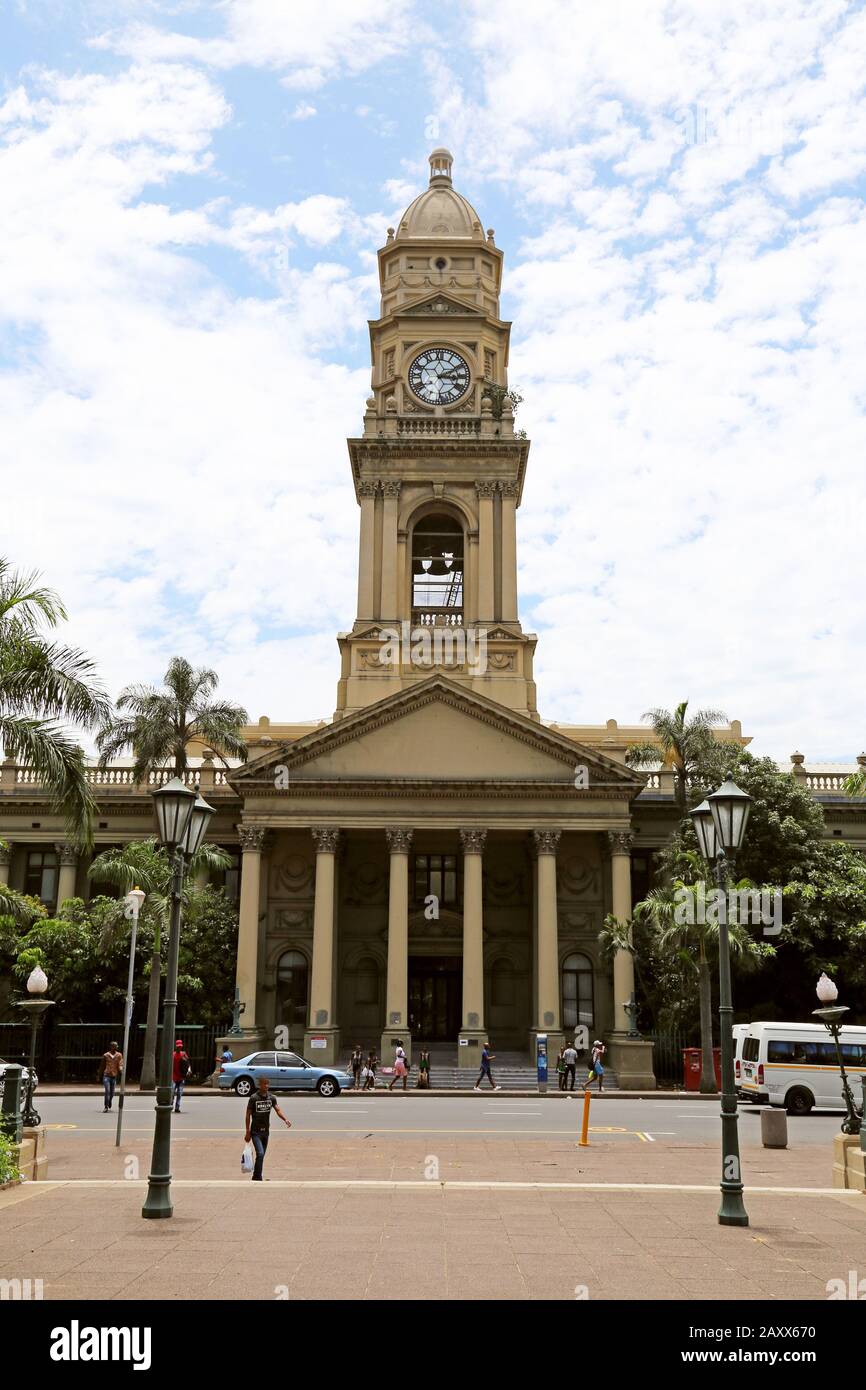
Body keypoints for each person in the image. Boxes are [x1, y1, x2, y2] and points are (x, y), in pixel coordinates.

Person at [244, 1075, 290, 1181]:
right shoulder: (253, 1098)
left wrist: (285, 1119)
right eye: (264, 1084)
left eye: (268, 1083)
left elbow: (278, 1110)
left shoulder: (271, 1098)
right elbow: (247, 1115)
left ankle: (256, 1176)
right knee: (260, 1153)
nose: (267, 1086)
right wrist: (247, 1132)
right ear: (260, 1085)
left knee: (261, 1156)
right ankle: (257, 1177)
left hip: (266, 1132)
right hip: (255, 1132)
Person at [100, 1041, 123, 1112]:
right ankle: (106, 1106)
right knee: (107, 1091)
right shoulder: (106, 1055)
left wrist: (121, 1070)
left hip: (114, 1076)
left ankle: (109, 1101)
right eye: (114, 1046)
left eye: (116, 1046)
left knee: (112, 1093)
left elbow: (120, 1064)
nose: (115, 1047)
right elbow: (102, 1066)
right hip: (106, 1075)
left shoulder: (119, 1055)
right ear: (111, 1047)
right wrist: (99, 1075)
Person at [172, 1039, 190, 1113]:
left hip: (181, 1077)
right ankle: (171, 1103)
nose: (179, 1048)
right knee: (172, 1091)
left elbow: (188, 1064)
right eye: (178, 1046)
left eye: (180, 1046)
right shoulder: (172, 1055)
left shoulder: (184, 1054)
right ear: (176, 1047)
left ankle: (177, 1107)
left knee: (179, 1093)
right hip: (173, 1077)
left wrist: (189, 1070)